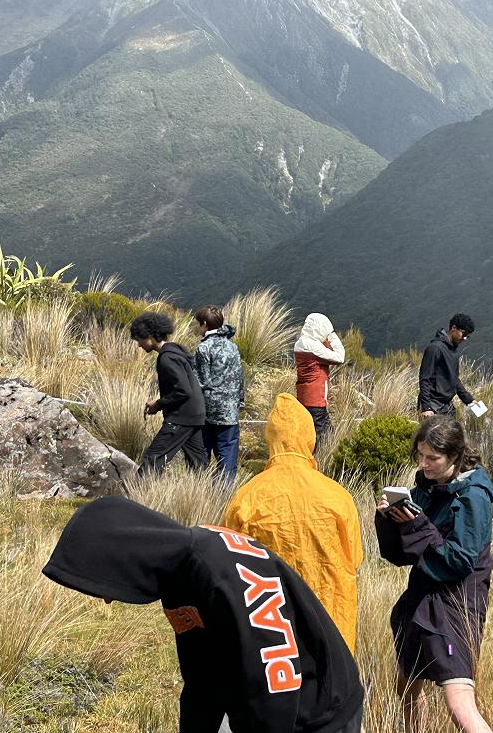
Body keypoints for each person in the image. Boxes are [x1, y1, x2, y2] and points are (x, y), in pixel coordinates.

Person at [42, 497, 363, 733]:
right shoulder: (180, 572)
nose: (108, 600)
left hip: (318, 712)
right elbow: (202, 679)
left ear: (120, 558)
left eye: (100, 585)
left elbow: (274, 680)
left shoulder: (219, 572)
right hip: (261, 706)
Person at [374, 416, 493, 733]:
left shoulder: (473, 498)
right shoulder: (426, 488)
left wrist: (414, 525)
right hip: (421, 599)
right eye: (420, 455)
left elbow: (458, 562)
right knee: (406, 686)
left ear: (454, 457)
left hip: (456, 604)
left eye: (432, 458)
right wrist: (389, 520)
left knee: (459, 703)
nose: (423, 464)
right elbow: (401, 555)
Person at [223, 393, 363, 653]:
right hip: (330, 624)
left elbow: (229, 565)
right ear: (309, 438)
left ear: (270, 439)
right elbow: (353, 558)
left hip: (270, 631)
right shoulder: (337, 496)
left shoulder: (246, 497)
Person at [131, 312, 206, 475]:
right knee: (199, 465)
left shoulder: (167, 358)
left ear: (150, 336)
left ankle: (135, 494)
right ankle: (216, 495)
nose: (139, 345)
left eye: (139, 340)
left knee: (154, 458)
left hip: (182, 417)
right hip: (196, 414)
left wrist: (158, 404)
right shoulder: (176, 352)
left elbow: (183, 390)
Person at [193, 305, 244, 483]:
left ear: (205, 324)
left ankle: (200, 496)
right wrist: (239, 402)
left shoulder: (203, 349)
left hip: (208, 413)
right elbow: (239, 378)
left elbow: (200, 382)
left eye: (197, 324)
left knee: (201, 458)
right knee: (228, 461)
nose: (196, 327)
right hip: (230, 412)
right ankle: (226, 500)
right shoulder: (233, 347)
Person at [294, 313, 345, 443]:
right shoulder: (312, 347)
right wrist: (332, 337)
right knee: (321, 437)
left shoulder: (301, 343)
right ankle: (319, 461)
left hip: (305, 397)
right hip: (315, 399)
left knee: (324, 432)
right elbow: (340, 357)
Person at [417, 314, 476, 417]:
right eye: (463, 333)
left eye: (468, 335)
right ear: (453, 328)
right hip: (433, 406)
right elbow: (425, 378)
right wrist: (426, 407)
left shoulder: (453, 351)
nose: (465, 338)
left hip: (447, 407)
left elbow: (454, 379)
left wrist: (469, 400)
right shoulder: (435, 348)